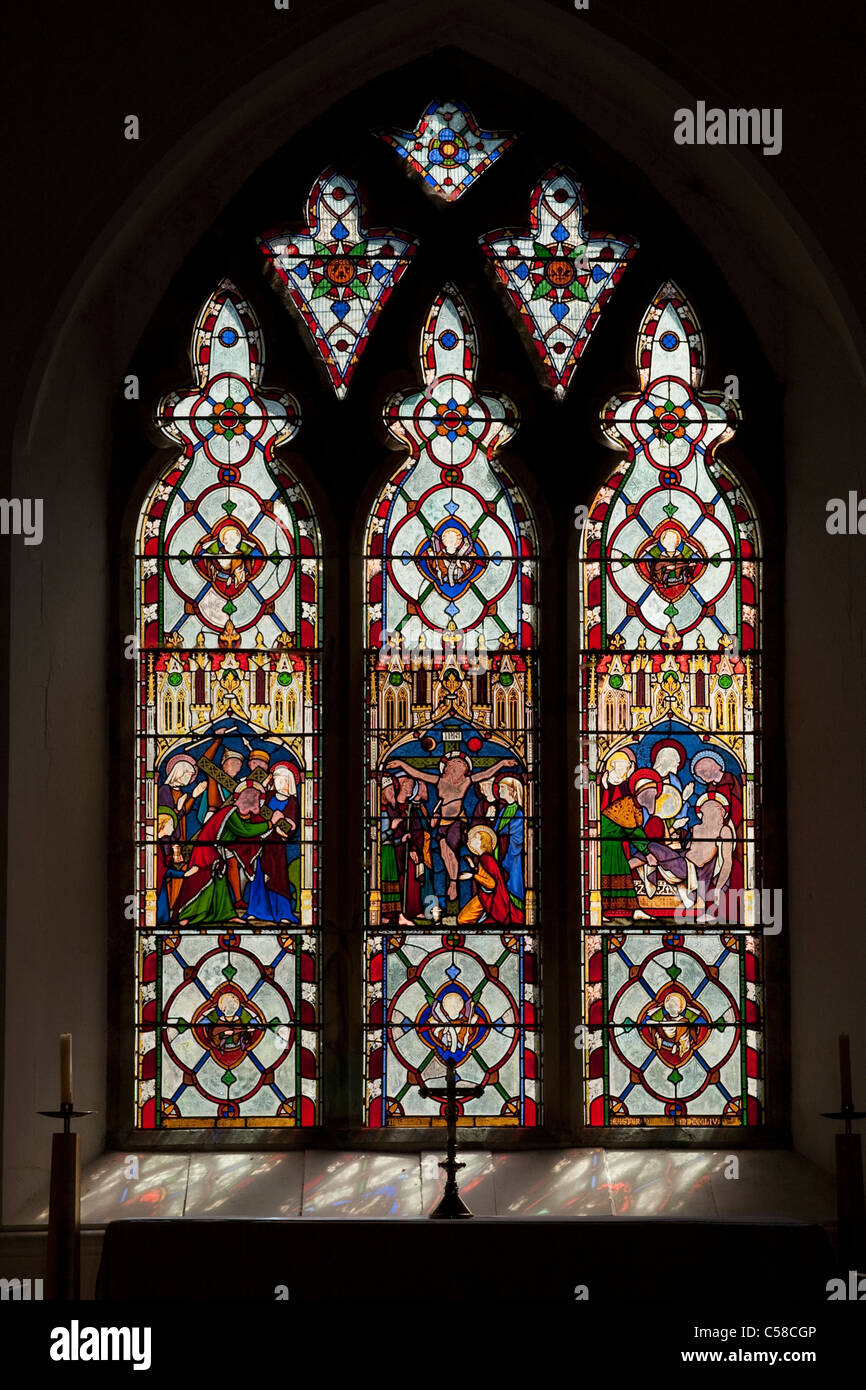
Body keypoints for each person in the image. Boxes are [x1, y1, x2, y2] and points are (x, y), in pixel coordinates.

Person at [387, 749, 517, 906]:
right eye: (453, 763)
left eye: (461, 764)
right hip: (443, 823)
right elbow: (419, 774)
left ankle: (454, 884)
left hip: (457, 822)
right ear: (447, 769)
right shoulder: (440, 781)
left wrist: (502, 763)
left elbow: (485, 774)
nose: (457, 765)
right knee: (444, 852)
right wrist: (402, 763)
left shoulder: (465, 782)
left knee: (450, 850)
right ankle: (452, 883)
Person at [174, 782, 286, 925]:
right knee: (199, 882)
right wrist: (271, 823)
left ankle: (226, 914)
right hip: (205, 852)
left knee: (220, 883)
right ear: (250, 801)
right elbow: (245, 831)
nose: (258, 804)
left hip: (216, 853)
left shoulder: (235, 814)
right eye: (257, 801)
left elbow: (243, 834)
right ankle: (185, 915)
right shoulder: (231, 814)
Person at [246, 761, 301, 923]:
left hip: (277, 847)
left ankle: (282, 913)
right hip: (262, 843)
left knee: (278, 878)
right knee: (259, 877)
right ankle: (257, 911)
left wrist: (281, 822)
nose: (277, 782)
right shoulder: (268, 796)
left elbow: (288, 829)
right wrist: (261, 787)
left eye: (281, 779)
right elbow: (255, 807)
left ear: (288, 782)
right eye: (275, 779)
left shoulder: (291, 802)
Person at [457, 824, 523, 924]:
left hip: (488, 898)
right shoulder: (485, 858)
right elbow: (485, 874)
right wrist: (472, 865)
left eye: (475, 837)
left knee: (462, 920)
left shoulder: (486, 859)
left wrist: (471, 876)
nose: (471, 839)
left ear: (482, 843)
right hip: (484, 896)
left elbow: (491, 884)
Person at [494, 775, 525, 911]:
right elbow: (496, 831)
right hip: (501, 852)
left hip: (513, 856)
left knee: (513, 883)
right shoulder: (503, 811)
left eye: (502, 788)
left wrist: (503, 837)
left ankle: (516, 911)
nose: (499, 790)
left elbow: (518, 836)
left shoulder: (518, 812)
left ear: (512, 791)